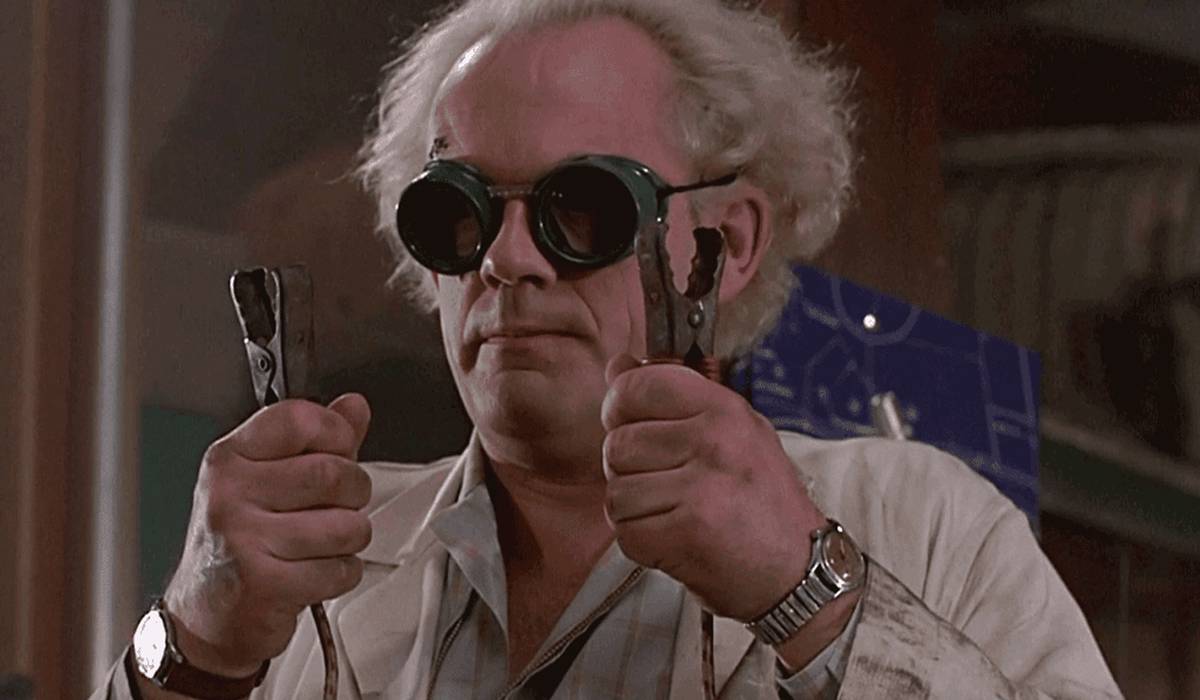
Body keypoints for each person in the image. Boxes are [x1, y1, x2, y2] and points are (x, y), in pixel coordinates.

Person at [94, 0, 1122, 697]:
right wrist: (188, 643)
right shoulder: (328, 568)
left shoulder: (928, 530)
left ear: (726, 241)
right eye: (457, 212)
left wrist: (807, 591)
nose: (506, 257)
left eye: (581, 207)